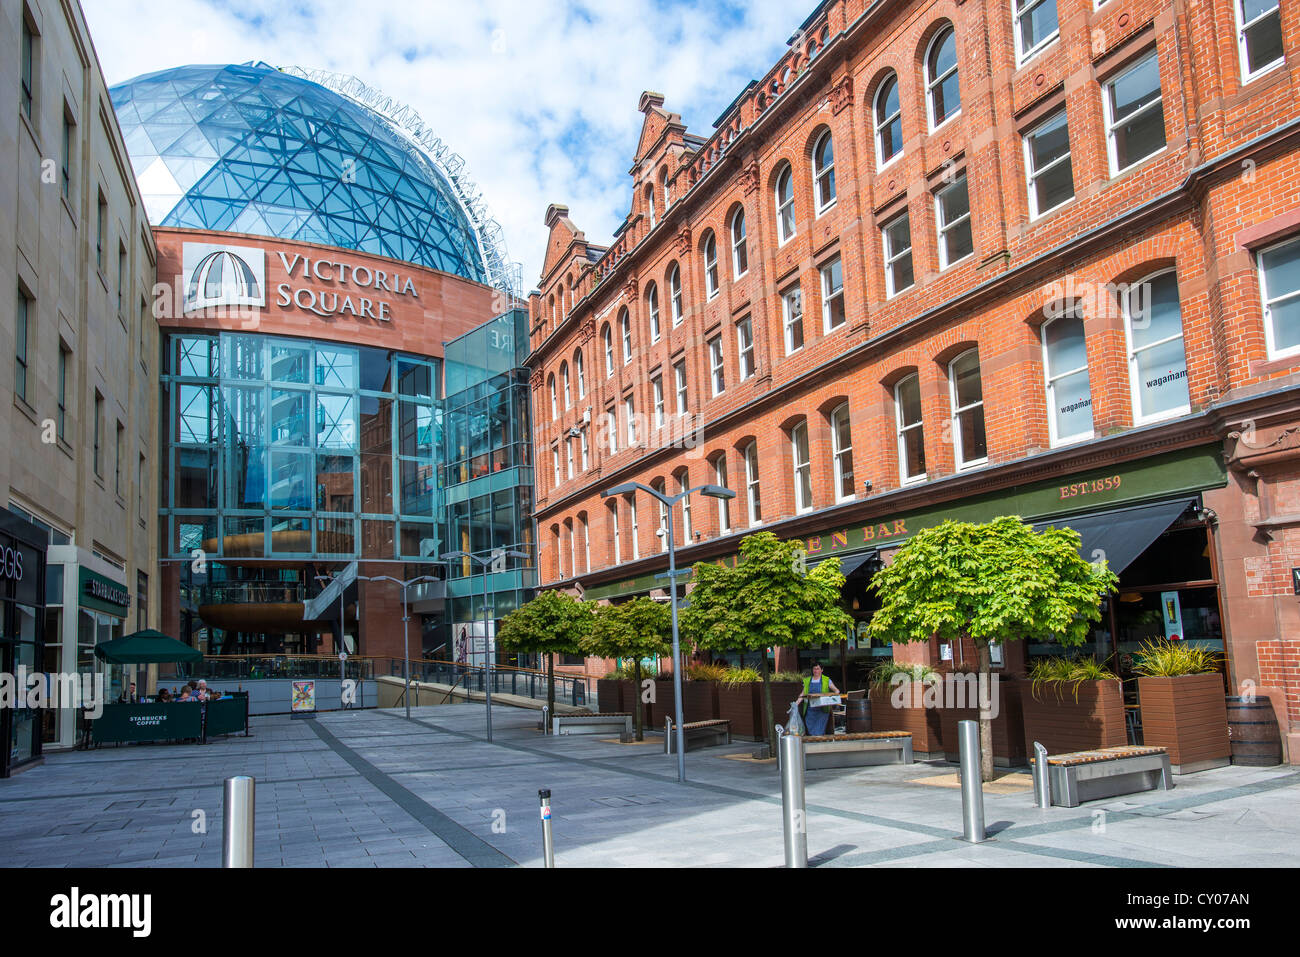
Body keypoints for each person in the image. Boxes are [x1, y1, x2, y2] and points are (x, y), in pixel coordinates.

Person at [795, 662, 840, 736]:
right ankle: (815, 740)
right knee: (809, 724)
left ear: (822, 670)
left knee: (819, 728)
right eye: (814, 669)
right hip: (810, 709)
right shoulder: (807, 681)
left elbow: (836, 691)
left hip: (822, 710)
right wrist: (797, 702)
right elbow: (803, 694)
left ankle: (818, 742)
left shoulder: (826, 680)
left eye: (818, 669)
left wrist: (832, 699)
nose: (816, 670)